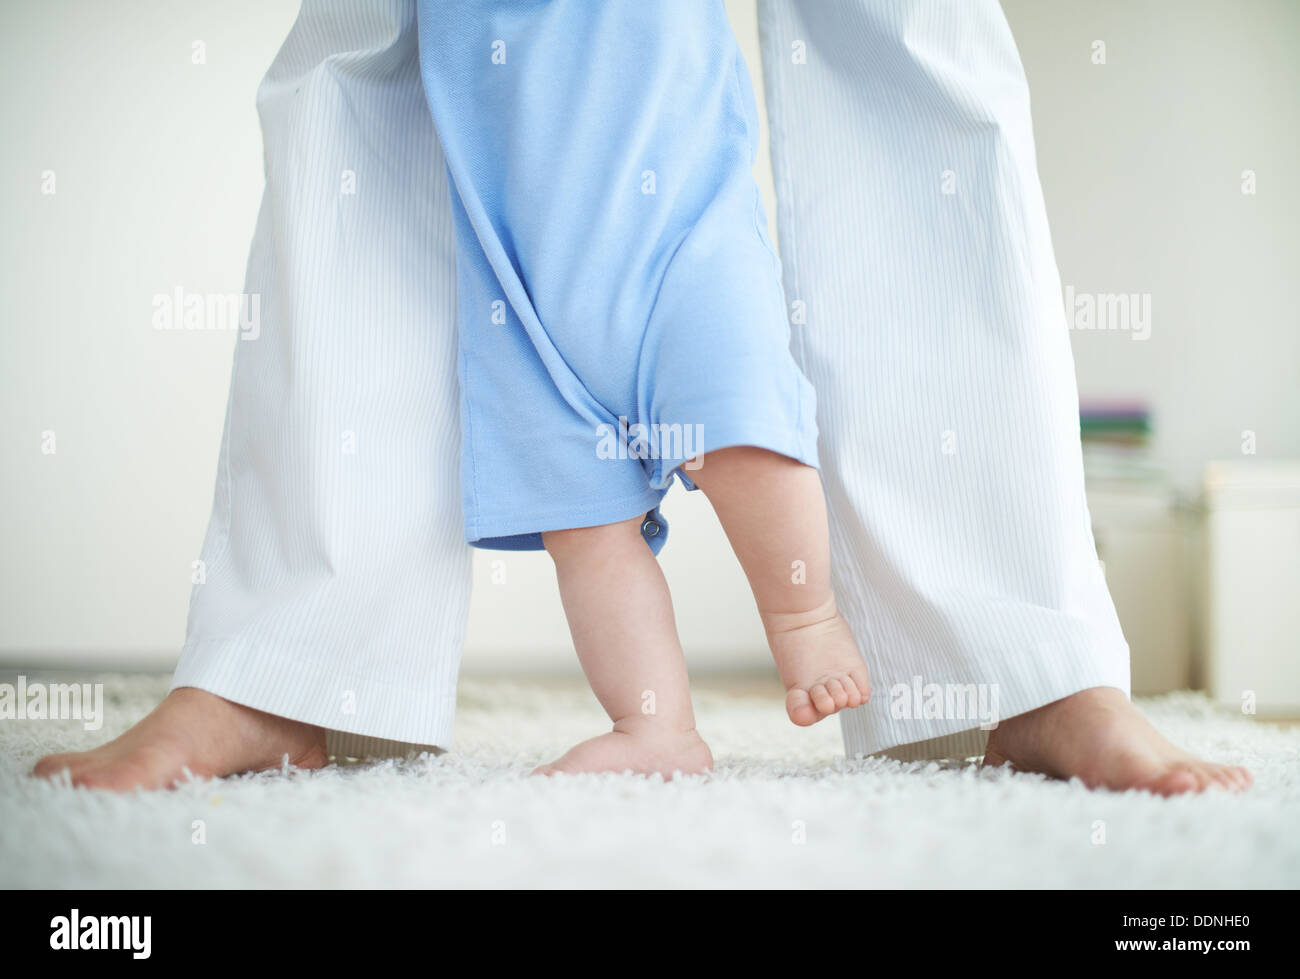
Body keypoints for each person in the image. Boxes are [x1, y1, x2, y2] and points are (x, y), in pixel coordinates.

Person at [34, 0, 1250, 795]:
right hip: (507, 275)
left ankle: (950, 647)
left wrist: (804, 618)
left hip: (681, 245)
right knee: (587, 533)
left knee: (749, 436)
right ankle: (598, 712)